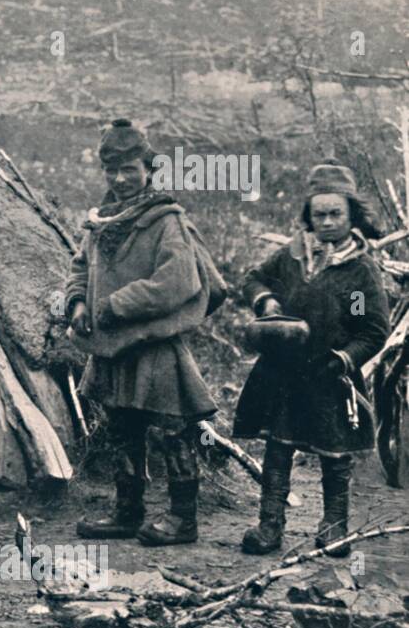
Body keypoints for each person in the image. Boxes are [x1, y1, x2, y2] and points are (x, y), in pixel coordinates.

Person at [66, 119, 218, 546]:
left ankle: (183, 519)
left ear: (148, 169)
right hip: (113, 349)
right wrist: (78, 302)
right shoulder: (100, 221)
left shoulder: (165, 219)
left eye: (129, 169)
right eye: (111, 171)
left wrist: (116, 305)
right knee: (121, 429)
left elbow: (178, 280)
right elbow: (79, 267)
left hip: (154, 346)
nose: (120, 179)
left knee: (170, 431)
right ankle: (127, 512)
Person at [234, 162, 390, 556]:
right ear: (309, 216)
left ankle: (334, 526)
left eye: (335, 213)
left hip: (330, 375)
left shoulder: (358, 272)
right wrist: (266, 300)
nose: (327, 222)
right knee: (277, 447)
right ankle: (269, 526)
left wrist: (343, 359)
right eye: (319, 214)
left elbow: (369, 330)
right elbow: (253, 279)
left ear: (351, 215)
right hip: (284, 373)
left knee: (335, 455)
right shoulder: (291, 257)